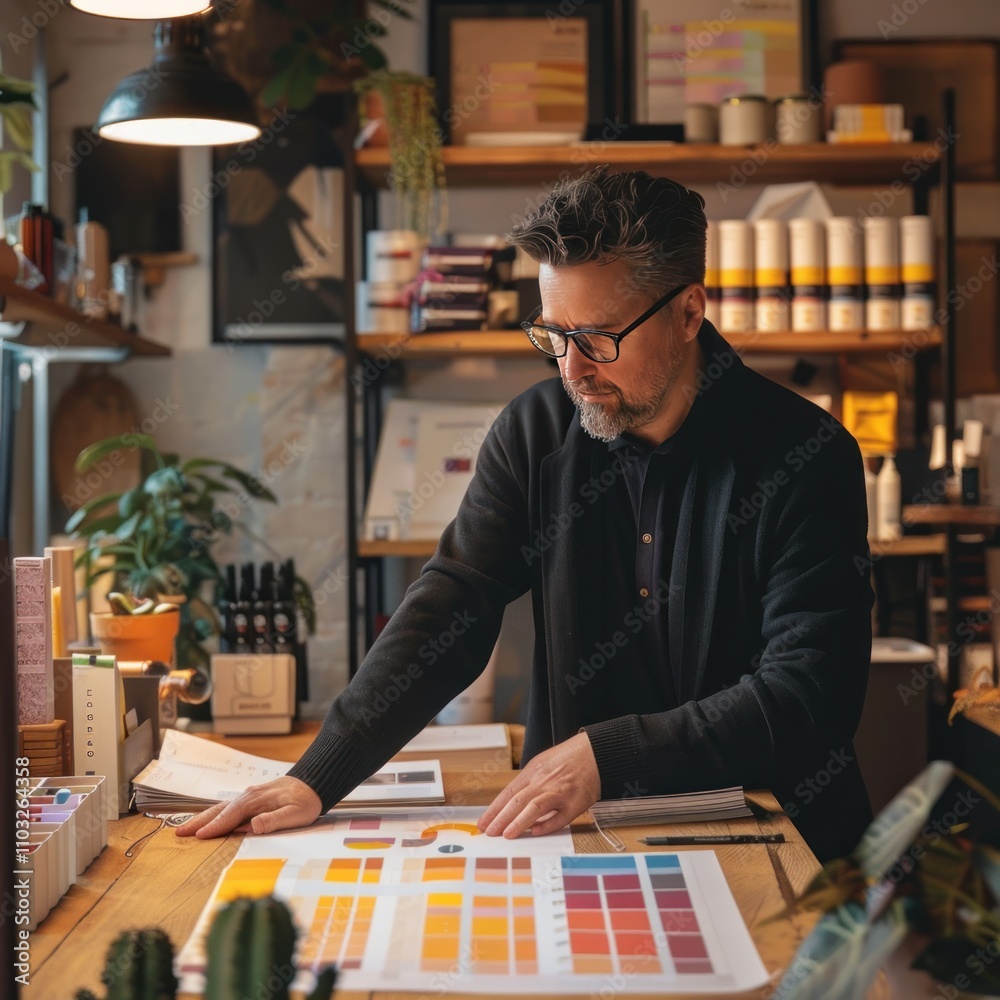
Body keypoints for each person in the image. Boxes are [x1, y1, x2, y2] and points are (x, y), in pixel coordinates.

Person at [178, 167, 874, 863]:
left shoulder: (806, 456)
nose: (571, 370)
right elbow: (453, 602)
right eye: (553, 335)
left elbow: (810, 695)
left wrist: (609, 754)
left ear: (689, 313)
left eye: (599, 339)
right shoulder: (536, 434)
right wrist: (321, 774)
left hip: (776, 839)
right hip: (578, 836)